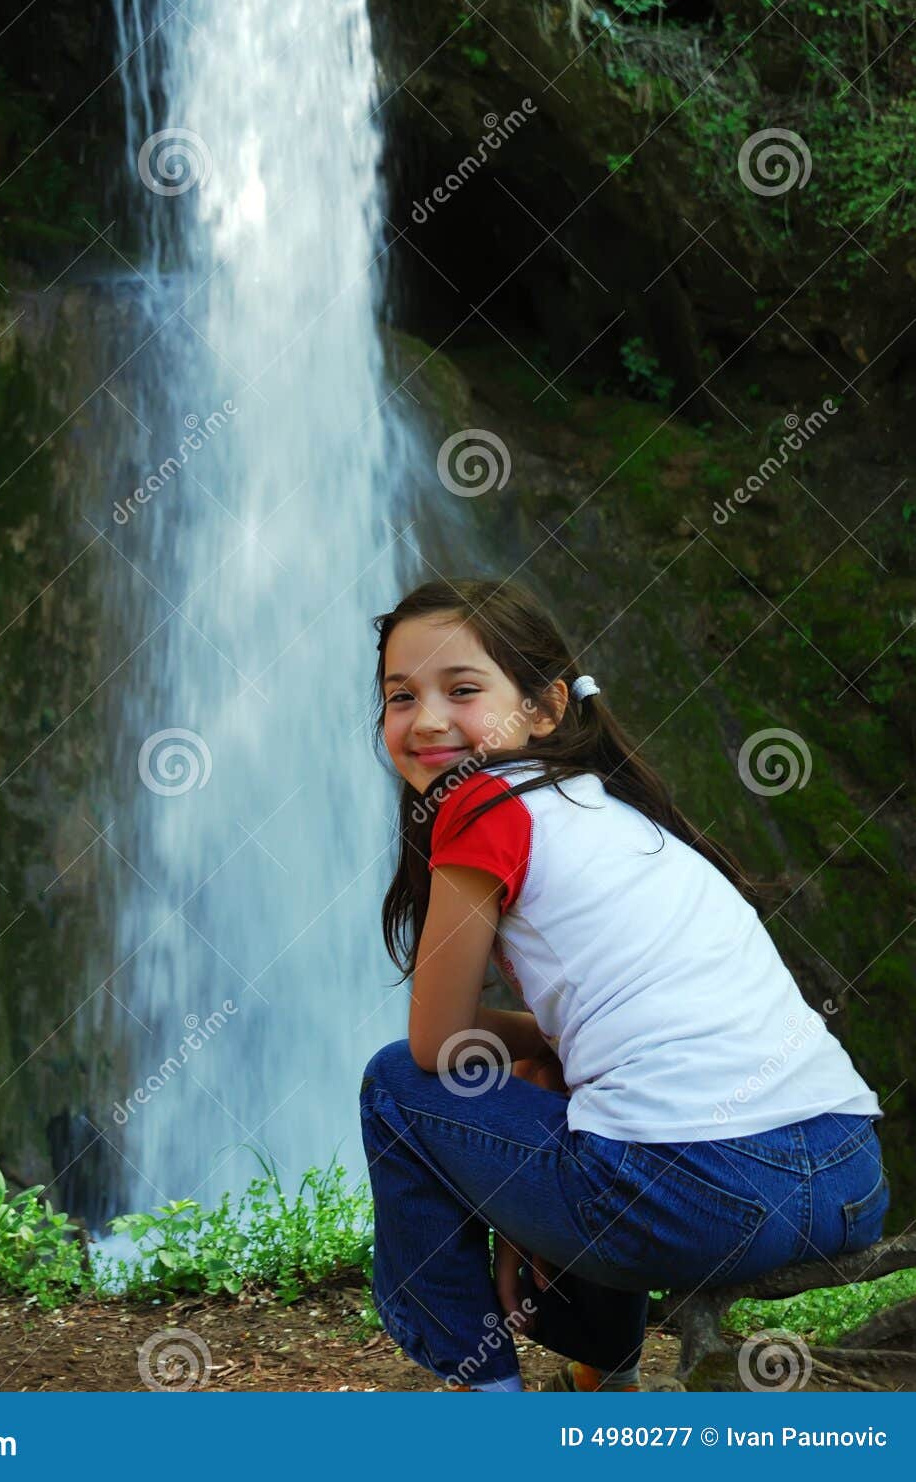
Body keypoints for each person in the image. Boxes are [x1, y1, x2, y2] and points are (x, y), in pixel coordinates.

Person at [359, 579, 888, 1392]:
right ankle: (599, 1378)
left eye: (461, 690)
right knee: (608, 1112)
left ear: (543, 709)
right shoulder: (619, 816)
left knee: (394, 1083)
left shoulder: (481, 804)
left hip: (699, 1200)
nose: (426, 719)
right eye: (400, 696)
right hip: (848, 1180)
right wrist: (541, 1096)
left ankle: (490, 1403)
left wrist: (538, 1042)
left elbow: (437, 1044)